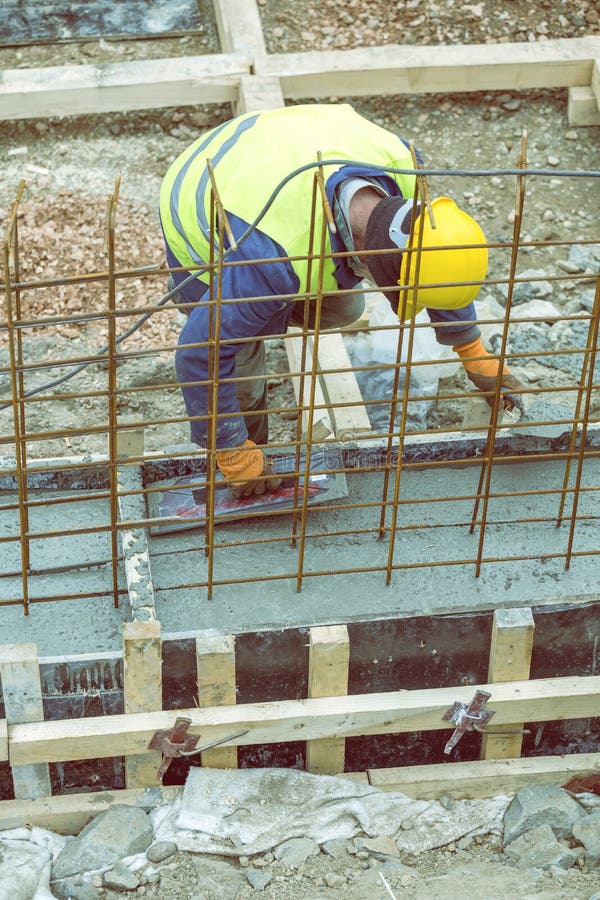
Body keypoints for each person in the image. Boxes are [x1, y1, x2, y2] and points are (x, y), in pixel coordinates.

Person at [159, 103, 523, 497]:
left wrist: (472, 349)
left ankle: (262, 310)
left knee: (347, 306)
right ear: (370, 261)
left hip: (271, 147)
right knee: (237, 365)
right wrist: (230, 446)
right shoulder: (275, 255)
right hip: (199, 199)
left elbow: (431, 254)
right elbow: (198, 353)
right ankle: (250, 450)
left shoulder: (404, 169)